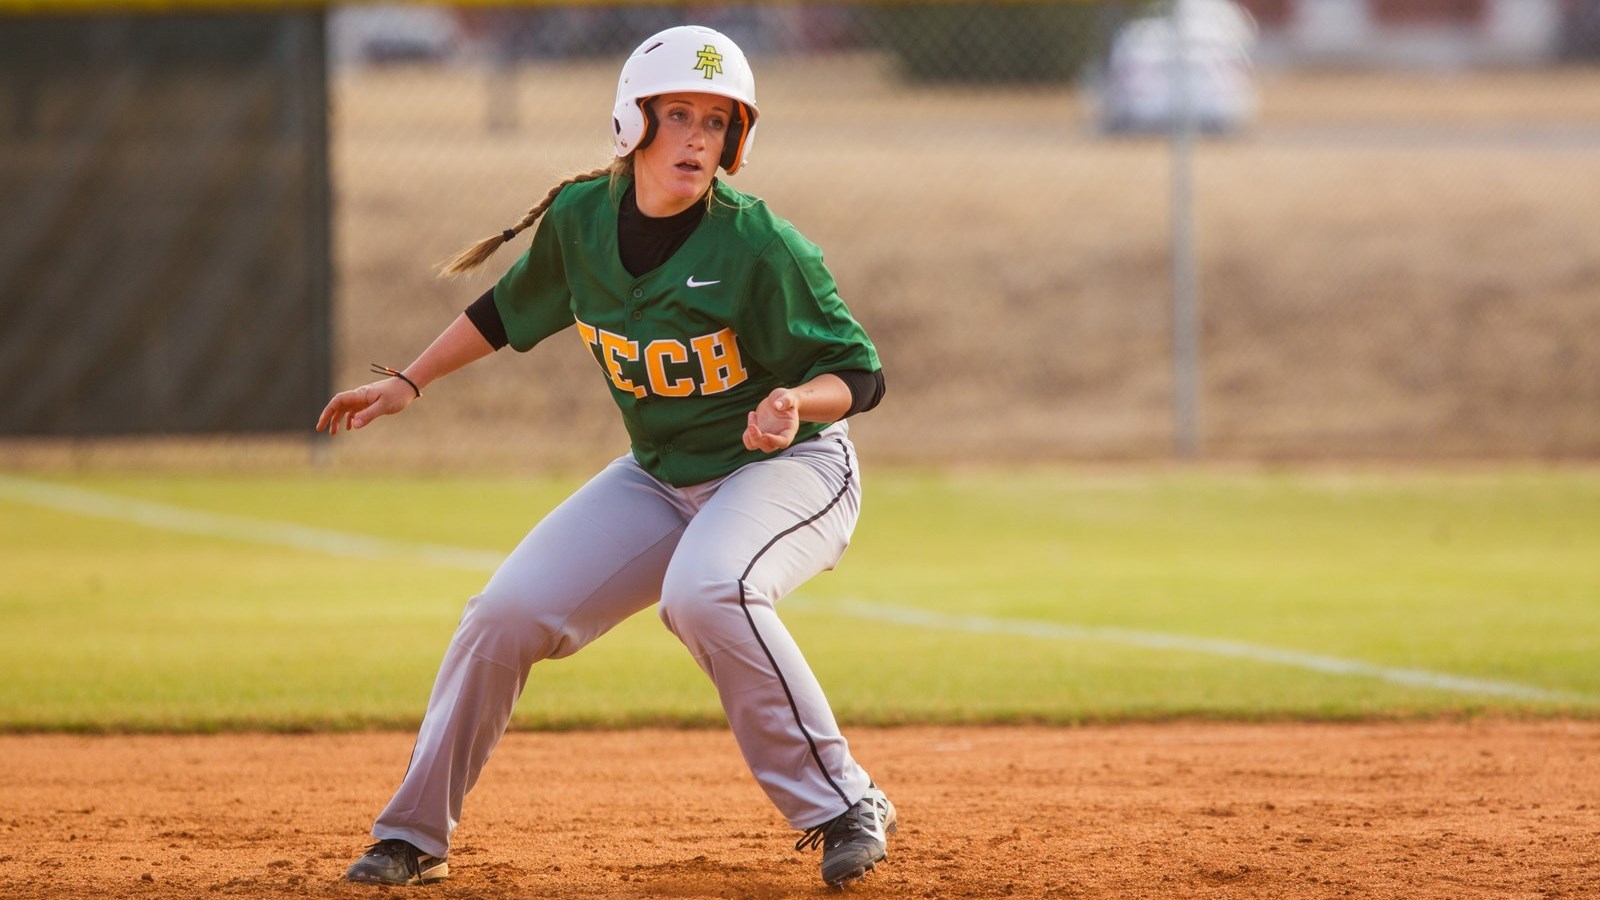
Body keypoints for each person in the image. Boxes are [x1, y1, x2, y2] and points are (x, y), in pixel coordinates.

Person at [316, 24, 894, 890]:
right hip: (659, 477)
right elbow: (506, 312)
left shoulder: (759, 245)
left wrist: (792, 403)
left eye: (717, 120)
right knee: (502, 615)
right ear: (632, 122)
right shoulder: (584, 219)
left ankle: (846, 804)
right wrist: (410, 380)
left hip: (792, 469)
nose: (698, 137)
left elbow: (860, 374)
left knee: (707, 592)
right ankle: (411, 835)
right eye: (679, 114)